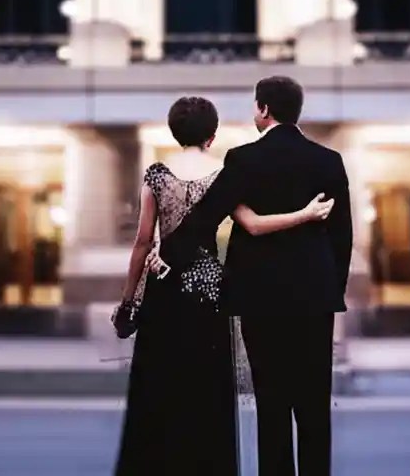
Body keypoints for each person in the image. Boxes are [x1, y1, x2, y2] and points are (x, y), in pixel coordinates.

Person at [114, 96, 334, 476]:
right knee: (206, 389)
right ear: (212, 135)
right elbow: (253, 224)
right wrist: (306, 214)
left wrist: (129, 299)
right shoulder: (224, 173)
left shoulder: (155, 174)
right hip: (207, 292)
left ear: (173, 130)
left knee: (159, 385)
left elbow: (142, 244)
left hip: (163, 289)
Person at [166, 76, 353, 476]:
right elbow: (343, 237)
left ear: (263, 110)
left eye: (255, 106)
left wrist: (170, 259)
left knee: (272, 402)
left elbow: (202, 223)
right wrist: (329, 287)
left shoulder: (242, 160)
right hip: (315, 299)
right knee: (314, 404)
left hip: (259, 298)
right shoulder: (328, 161)